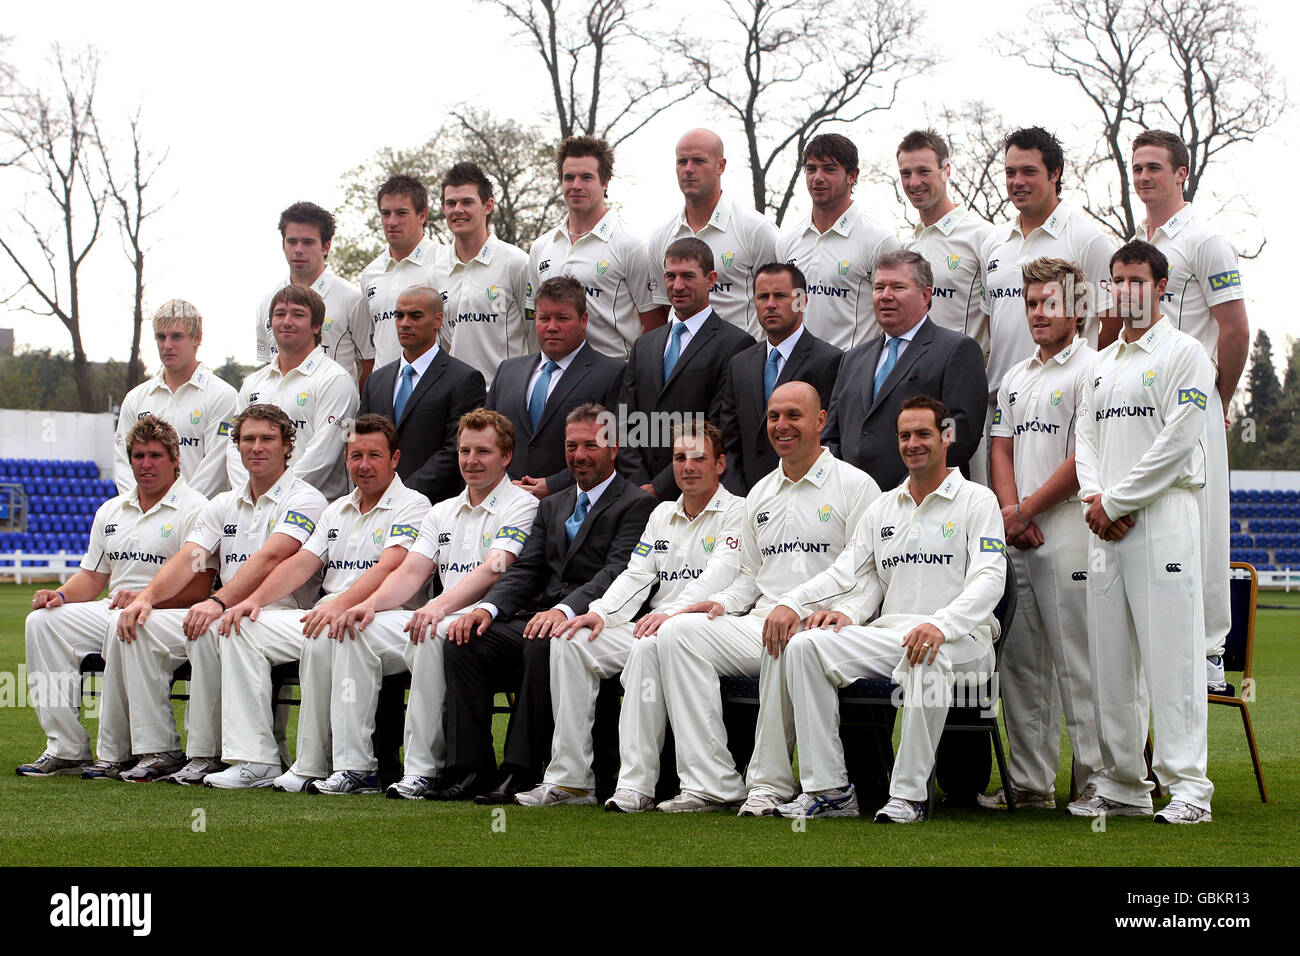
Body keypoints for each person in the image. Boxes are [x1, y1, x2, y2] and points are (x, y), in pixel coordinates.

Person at [764, 395, 1007, 822]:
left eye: (923, 434)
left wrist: (942, 624)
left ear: (946, 437)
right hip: (893, 635)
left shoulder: (977, 500)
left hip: (963, 642)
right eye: (905, 435)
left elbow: (991, 579)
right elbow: (847, 572)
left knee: (927, 656)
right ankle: (829, 789)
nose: (913, 443)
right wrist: (793, 603)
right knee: (805, 646)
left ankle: (909, 796)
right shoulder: (883, 507)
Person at [652, 382, 880, 812]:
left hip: (821, 628)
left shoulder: (856, 486)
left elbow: (867, 574)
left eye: (793, 415)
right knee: (678, 633)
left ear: (820, 421)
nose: (781, 425)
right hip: (761, 621)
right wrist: (721, 603)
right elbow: (750, 576)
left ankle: (769, 784)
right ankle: (712, 783)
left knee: (786, 638)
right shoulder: (760, 492)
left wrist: (846, 613)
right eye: (774, 416)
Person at [516, 421, 745, 809]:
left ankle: (635, 785)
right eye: (678, 458)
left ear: (720, 464)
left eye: (698, 458)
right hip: (654, 623)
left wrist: (671, 612)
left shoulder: (738, 510)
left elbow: (718, 574)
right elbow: (637, 574)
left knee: (646, 646)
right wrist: (601, 613)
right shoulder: (661, 515)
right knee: (571, 638)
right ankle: (571, 780)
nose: (687, 467)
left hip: (706, 626)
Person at [433, 404, 655, 803]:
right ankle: (469, 769)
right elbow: (527, 568)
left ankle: (521, 771)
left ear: (615, 447)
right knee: (463, 639)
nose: (580, 455)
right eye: (572, 446)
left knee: (544, 641)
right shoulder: (551, 505)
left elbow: (617, 571)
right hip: (536, 618)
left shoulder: (636, 504)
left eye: (591, 445)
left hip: (597, 621)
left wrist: (565, 610)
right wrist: (487, 608)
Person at [1071, 240, 1215, 825]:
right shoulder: (1099, 362)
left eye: (1137, 280)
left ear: (1162, 288)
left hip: (1161, 520)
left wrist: (1117, 500)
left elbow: (1177, 441)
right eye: (1117, 281)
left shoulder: (1186, 354)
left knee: (1172, 656)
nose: (1126, 290)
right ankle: (1124, 783)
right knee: (1110, 662)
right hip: (1104, 528)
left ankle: (1189, 790)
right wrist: (1092, 499)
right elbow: (1083, 439)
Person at [208, 414, 430, 791]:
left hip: (387, 617)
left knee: (331, 630)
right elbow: (301, 563)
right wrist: (253, 600)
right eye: (355, 455)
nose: (363, 465)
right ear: (345, 459)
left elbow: (391, 566)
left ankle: (324, 766)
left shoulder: (414, 504)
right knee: (239, 626)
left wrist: (339, 603)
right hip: (329, 615)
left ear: (395, 459)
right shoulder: (336, 509)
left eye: (374, 456)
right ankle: (257, 760)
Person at [112, 404, 327, 785]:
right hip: (232, 609)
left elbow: (271, 557)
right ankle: (160, 750)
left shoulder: (305, 498)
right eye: (248, 439)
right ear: (238, 446)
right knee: (140, 624)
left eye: (266, 439)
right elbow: (188, 559)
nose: (256, 447)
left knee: (217, 626)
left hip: (287, 613)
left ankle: (224, 755)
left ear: (287, 445)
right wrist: (146, 597)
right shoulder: (223, 504)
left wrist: (217, 601)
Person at [334, 410, 538, 799]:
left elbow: (494, 570)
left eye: (483, 451)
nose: (471, 461)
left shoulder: (522, 505)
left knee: (429, 632)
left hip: (490, 620)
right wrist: (371, 605)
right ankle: (357, 767)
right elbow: (411, 572)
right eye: (464, 451)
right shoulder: (441, 510)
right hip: (441, 614)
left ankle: (423, 770)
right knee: (354, 628)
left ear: (507, 456)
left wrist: (440, 607)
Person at [18, 416, 211, 779]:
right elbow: (92, 579)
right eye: (138, 456)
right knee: (42, 622)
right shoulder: (111, 510)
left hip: (169, 616)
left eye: (155, 455)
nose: (146, 464)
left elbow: (200, 588)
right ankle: (67, 747)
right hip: (115, 609)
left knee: (130, 622)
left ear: (175, 459)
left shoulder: (196, 508)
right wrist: (58, 594)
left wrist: (146, 599)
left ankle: (126, 752)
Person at [980, 257, 1102, 810]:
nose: (1037, 313)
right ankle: (1029, 786)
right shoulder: (1016, 375)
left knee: (1079, 661)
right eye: (1030, 304)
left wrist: (1026, 508)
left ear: (1077, 307)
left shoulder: (1093, 369)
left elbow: (1086, 457)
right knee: (1022, 666)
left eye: (1048, 302)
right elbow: (1000, 447)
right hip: (1019, 532)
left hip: (1070, 528)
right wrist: (1010, 510)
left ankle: (1098, 781)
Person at [1131, 129, 1248, 692]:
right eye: (1137, 168)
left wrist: (1216, 401)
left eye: (1155, 167)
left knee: (1203, 524)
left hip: (1192, 404)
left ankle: (1208, 651)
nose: (1144, 177)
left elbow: (1235, 329)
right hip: (1140, 404)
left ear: (1182, 173)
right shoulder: (1137, 243)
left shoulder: (1205, 241)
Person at [979, 126, 1119, 484]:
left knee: (1056, 516)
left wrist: (1082, 382)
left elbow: (1114, 324)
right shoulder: (993, 243)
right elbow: (989, 328)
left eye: (1029, 172)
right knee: (1000, 525)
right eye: (1010, 172)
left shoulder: (1087, 240)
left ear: (1055, 174)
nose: (1017, 182)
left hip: (1066, 406)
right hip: (999, 405)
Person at [823, 250, 986, 492]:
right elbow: (831, 436)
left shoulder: (957, 350)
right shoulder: (852, 359)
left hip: (921, 502)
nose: (885, 296)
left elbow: (958, 430)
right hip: (852, 503)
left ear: (925, 295)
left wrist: (911, 488)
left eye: (897, 287)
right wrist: (842, 487)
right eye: (879, 288)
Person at [618, 237, 752, 500]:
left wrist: (660, 486)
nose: (677, 285)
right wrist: (639, 483)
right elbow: (624, 419)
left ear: (711, 279)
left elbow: (718, 427)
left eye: (688, 276)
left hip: (698, 490)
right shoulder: (645, 345)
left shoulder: (736, 344)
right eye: (670, 276)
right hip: (637, 493)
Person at [526, 135, 664, 359]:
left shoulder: (630, 246)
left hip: (614, 377)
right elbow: (536, 318)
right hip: (555, 379)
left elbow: (654, 324)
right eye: (569, 177)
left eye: (586, 177)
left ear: (605, 181)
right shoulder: (541, 247)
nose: (576, 186)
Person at [486, 276, 625, 499]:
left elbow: (614, 449)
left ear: (583, 320)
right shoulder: (507, 371)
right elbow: (487, 438)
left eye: (562, 318)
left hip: (573, 504)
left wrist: (554, 484)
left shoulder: (613, 374)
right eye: (544, 318)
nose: (551, 327)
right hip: (505, 502)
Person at [716, 262, 842, 494]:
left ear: (802, 301)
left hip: (804, 494)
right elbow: (729, 441)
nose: (771, 304)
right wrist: (739, 496)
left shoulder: (830, 361)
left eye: (781, 296)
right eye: (763, 296)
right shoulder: (739, 364)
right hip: (745, 498)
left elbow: (827, 439)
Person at [226, 284, 359, 500]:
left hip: (316, 511)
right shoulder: (253, 383)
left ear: (317, 326)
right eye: (280, 314)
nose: (287, 321)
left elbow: (323, 457)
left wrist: (275, 497)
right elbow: (234, 447)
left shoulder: (336, 380)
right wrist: (250, 496)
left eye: (298, 314)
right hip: (253, 507)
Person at [358, 284, 486, 505]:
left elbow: (455, 450)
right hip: (375, 503)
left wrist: (403, 495)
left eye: (415, 316)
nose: (405, 323)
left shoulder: (464, 379)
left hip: (434, 506)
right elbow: (357, 437)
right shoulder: (376, 381)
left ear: (438, 320)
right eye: (399, 315)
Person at [645, 128, 778, 339]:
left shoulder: (757, 230)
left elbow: (777, 302)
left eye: (698, 161)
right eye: (682, 162)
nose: (688, 169)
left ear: (721, 166)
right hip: (679, 364)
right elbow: (662, 307)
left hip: (739, 363)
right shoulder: (660, 237)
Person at [774, 133, 901, 350]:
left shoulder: (880, 241)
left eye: (829, 169)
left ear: (852, 175)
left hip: (851, 372)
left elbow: (896, 318)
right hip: (796, 371)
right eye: (811, 169)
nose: (818, 177)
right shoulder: (787, 240)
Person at [114, 300, 238, 498]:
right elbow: (123, 462)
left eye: (176, 336)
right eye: (161, 337)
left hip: (199, 519)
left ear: (197, 338)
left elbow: (216, 466)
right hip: (144, 518)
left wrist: (178, 511)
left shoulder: (222, 396)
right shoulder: (136, 398)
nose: (167, 345)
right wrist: (139, 509)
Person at [254, 201, 374, 387]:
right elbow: (270, 367)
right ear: (283, 245)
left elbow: (370, 366)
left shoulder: (352, 299)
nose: (298, 250)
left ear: (326, 247)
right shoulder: (267, 302)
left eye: (308, 242)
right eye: (292, 241)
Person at [438, 162, 534, 388]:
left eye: (467, 202)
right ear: (443, 208)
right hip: (457, 400)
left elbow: (534, 336)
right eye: (451, 203)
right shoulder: (436, 274)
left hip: (507, 397)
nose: (457, 209)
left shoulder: (516, 263)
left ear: (488, 206)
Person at [897, 129, 993, 351]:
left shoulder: (983, 237)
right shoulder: (907, 243)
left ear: (945, 170)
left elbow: (998, 318)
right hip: (912, 378)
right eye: (906, 173)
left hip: (962, 377)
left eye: (924, 171)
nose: (914, 182)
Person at [360, 175, 450, 368]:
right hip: (384, 388)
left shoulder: (446, 262)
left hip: (433, 386)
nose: (392, 222)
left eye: (401, 213)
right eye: (386, 213)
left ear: (422, 215)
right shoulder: (369, 274)